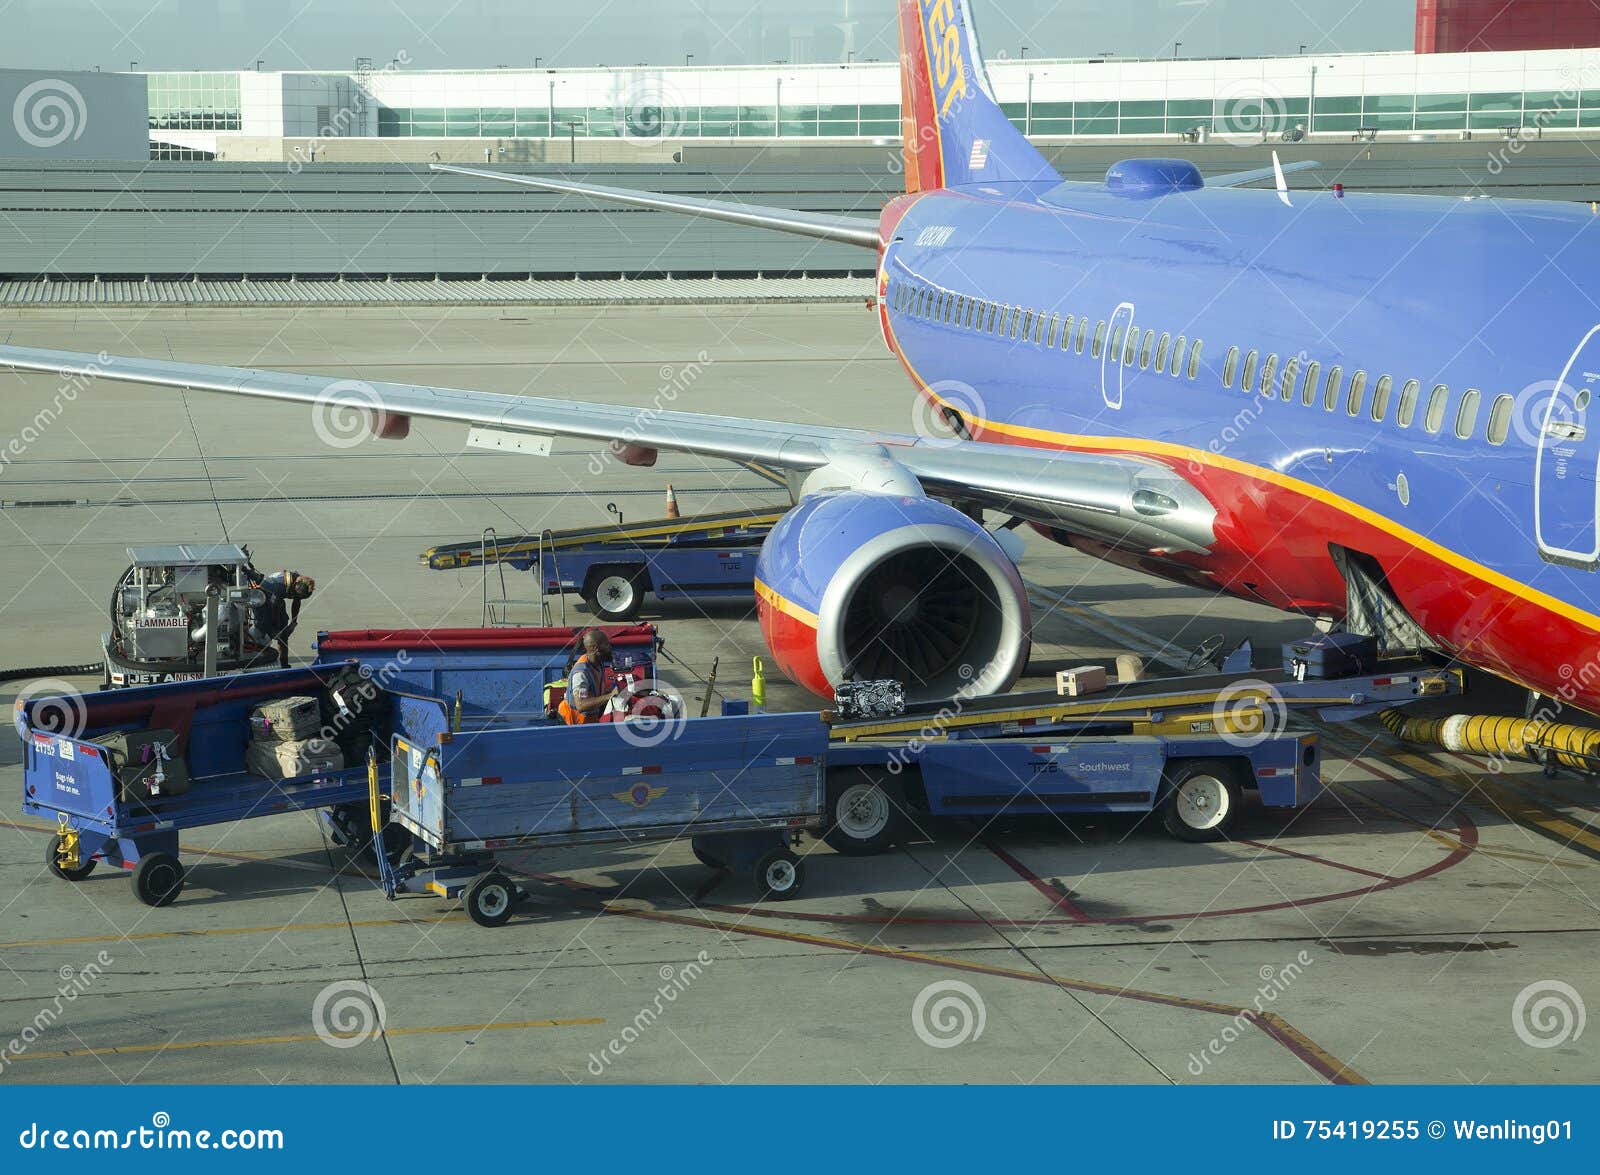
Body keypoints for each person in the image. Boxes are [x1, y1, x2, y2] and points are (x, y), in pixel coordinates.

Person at [248, 570, 316, 669]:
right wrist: (274, 630)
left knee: (284, 634)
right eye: (296, 595)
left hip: (277, 601)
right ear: (294, 586)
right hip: (262, 600)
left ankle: (284, 665)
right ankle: (257, 658)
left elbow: (296, 601)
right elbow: (273, 609)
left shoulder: (300, 582)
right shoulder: (279, 586)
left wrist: (293, 623)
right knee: (264, 627)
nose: (296, 597)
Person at [558, 629, 621, 725]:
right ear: (596, 648)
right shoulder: (581, 673)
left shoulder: (598, 663)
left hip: (589, 719)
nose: (609, 648)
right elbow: (581, 705)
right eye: (606, 645)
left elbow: (593, 692)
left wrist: (611, 691)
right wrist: (610, 695)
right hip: (571, 721)